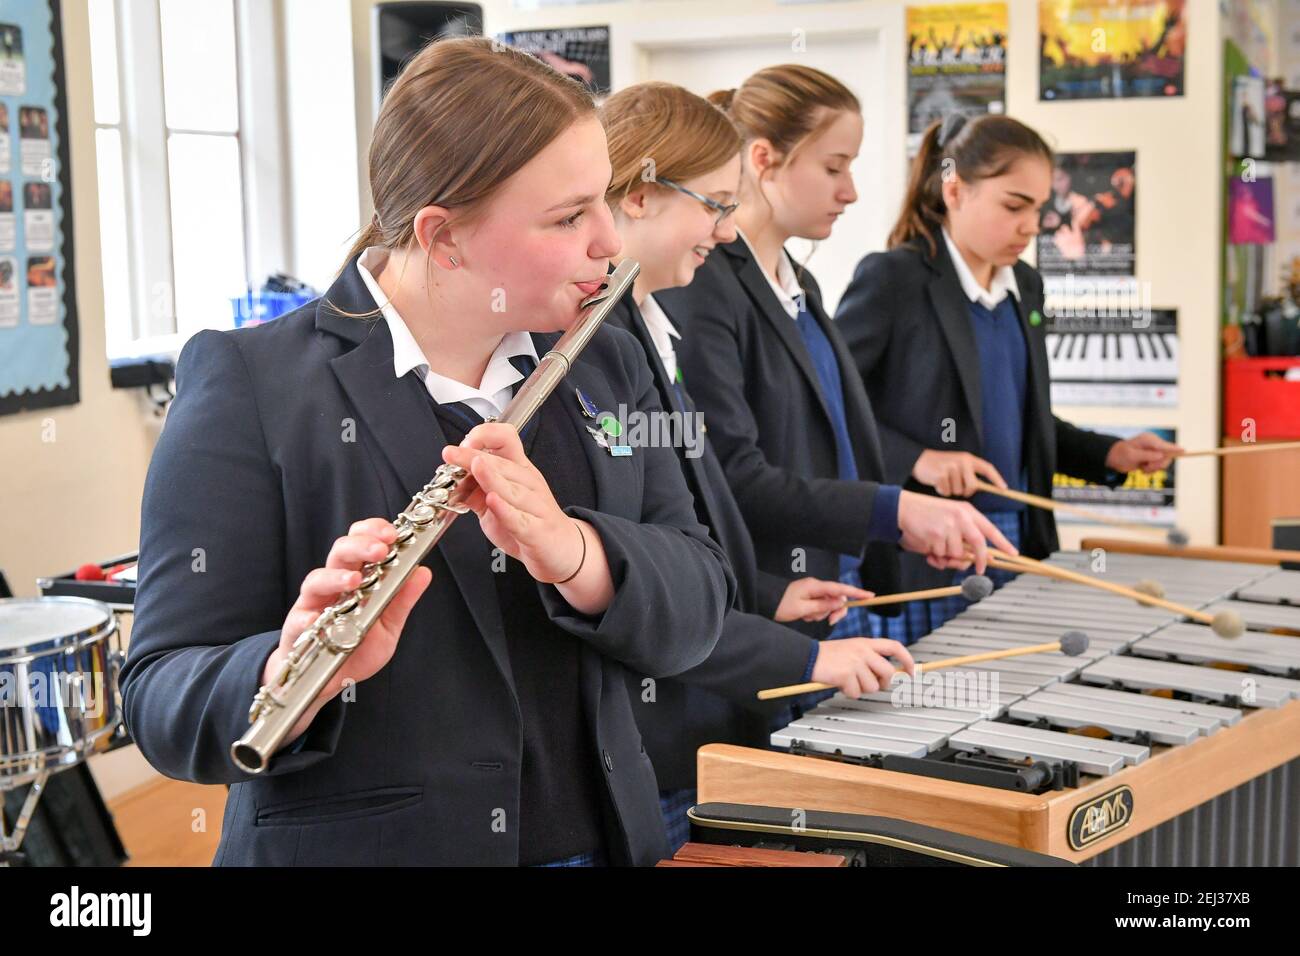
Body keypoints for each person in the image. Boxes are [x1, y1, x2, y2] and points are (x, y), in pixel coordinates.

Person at [120, 37, 734, 868]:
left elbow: (700, 601)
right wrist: (289, 668)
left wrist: (576, 553)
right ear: (443, 238)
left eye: (605, 204)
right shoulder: (250, 385)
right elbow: (159, 700)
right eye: (567, 218)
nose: (610, 243)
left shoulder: (608, 358)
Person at [599, 81, 915, 850]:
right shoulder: (602, 344)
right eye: (714, 203)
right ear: (640, 196)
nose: (727, 229)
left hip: (715, 682)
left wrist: (765, 594)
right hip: (661, 722)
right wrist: (804, 655)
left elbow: (683, 531)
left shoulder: (643, 332)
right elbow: (630, 579)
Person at [658, 65, 1015, 649]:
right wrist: (892, 510)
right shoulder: (705, 285)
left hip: (834, 581)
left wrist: (902, 523)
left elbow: (842, 440)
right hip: (763, 597)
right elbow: (727, 474)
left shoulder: (800, 282)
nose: (849, 191)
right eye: (833, 167)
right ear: (764, 158)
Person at [836, 113, 1180, 636]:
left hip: (1018, 537)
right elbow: (831, 410)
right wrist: (919, 459)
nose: (1032, 225)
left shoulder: (1025, 286)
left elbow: (1025, 421)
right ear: (955, 191)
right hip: (929, 551)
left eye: (1040, 208)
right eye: (1015, 206)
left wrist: (1108, 454)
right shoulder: (894, 279)